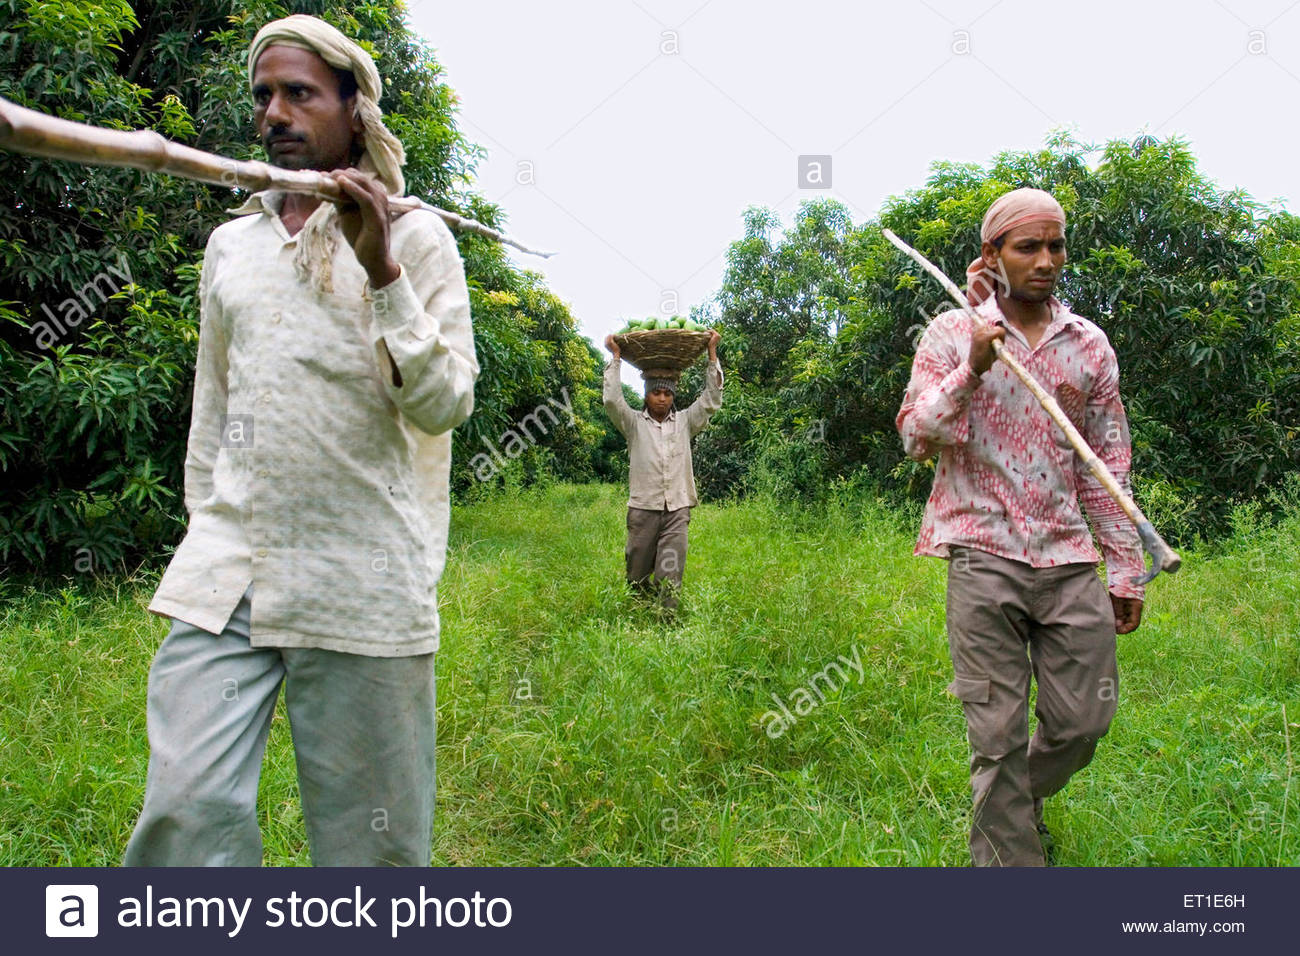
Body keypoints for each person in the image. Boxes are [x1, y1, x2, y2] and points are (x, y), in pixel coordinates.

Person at [124, 14, 479, 866]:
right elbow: (215, 403)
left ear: (353, 109)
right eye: (263, 96)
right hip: (230, 573)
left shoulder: (418, 235)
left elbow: (444, 404)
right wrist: (205, 521)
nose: (274, 113)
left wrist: (382, 268)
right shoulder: (231, 246)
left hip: (362, 576)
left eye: (299, 94)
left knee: (373, 844)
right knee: (186, 805)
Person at [896, 188, 1145, 867]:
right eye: (1027, 246)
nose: (1045, 260)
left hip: (1068, 559)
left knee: (1082, 722)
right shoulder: (951, 334)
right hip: (982, 557)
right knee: (996, 736)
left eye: (1055, 245)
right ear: (992, 255)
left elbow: (1107, 461)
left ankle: (1010, 803)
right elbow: (917, 436)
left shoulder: (1087, 344)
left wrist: (1123, 567)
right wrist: (972, 368)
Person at [603, 330, 723, 613]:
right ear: (646, 395)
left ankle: (666, 618)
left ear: (673, 396)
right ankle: (637, 615)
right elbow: (612, 402)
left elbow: (711, 400)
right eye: (656, 392)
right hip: (644, 508)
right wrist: (616, 358)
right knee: (637, 571)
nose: (662, 399)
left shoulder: (685, 422)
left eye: (667, 393)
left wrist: (712, 354)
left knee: (671, 571)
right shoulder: (633, 423)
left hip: (677, 509)